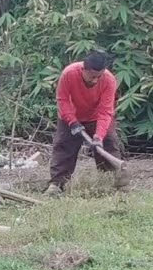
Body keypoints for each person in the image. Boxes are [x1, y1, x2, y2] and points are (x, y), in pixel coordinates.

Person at [45, 51, 123, 194]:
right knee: (64, 147)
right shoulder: (68, 74)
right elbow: (62, 100)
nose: (95, 81)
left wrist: (98, 136)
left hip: (97, 118)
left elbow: (105, 111)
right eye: (92, 76)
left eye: (98, 77)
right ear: (84, 70)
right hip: (70, 116)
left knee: (109, 144)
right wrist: (72, 122)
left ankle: (113, 182)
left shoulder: (108, 80)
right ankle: (57, 184)